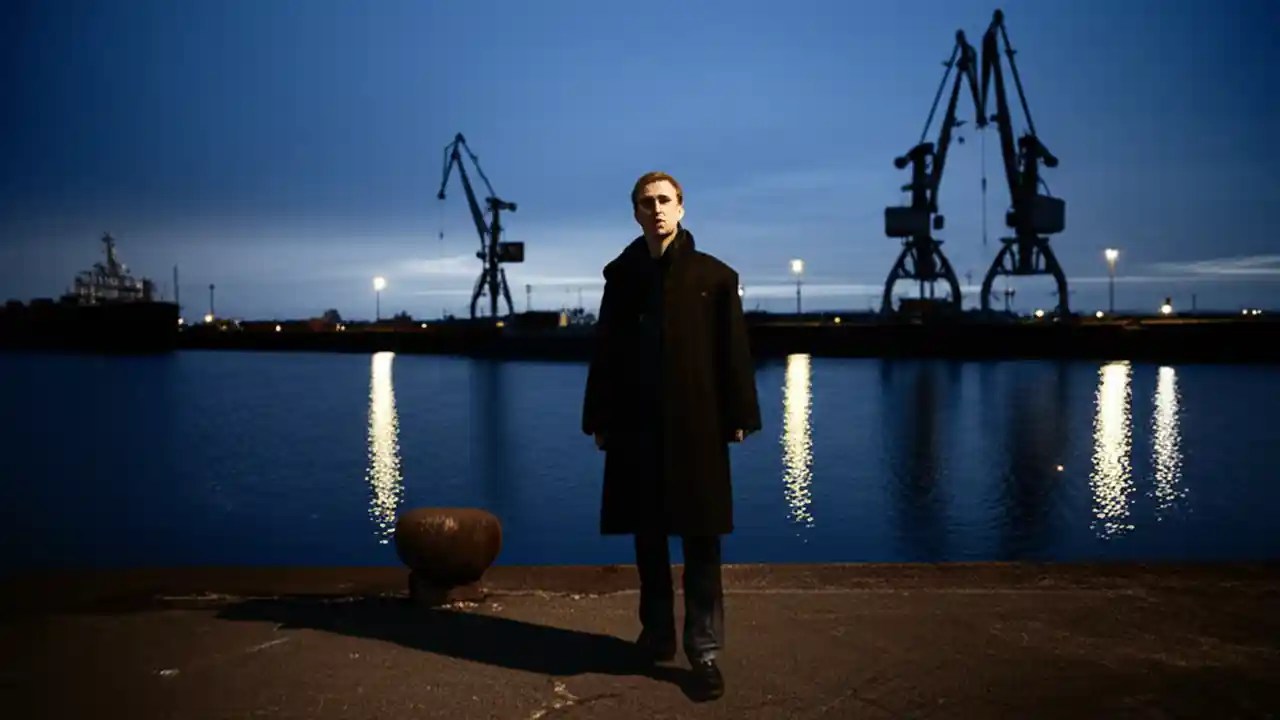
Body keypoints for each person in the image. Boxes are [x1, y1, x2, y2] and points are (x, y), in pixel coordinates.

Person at [582, 170, 762, 701]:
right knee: (648, 539)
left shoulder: (715, 277)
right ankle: (657, 635)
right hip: (636, 426)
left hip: (697, 427)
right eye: (646, 202)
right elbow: (607, 352)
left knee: (701, 543)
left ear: (682, 208)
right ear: (635, 213)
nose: (656, 209)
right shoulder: (621, 276)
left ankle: (703, 653)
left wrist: (739, 415)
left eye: (665, 200)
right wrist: (600, 418)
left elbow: (733, 351)